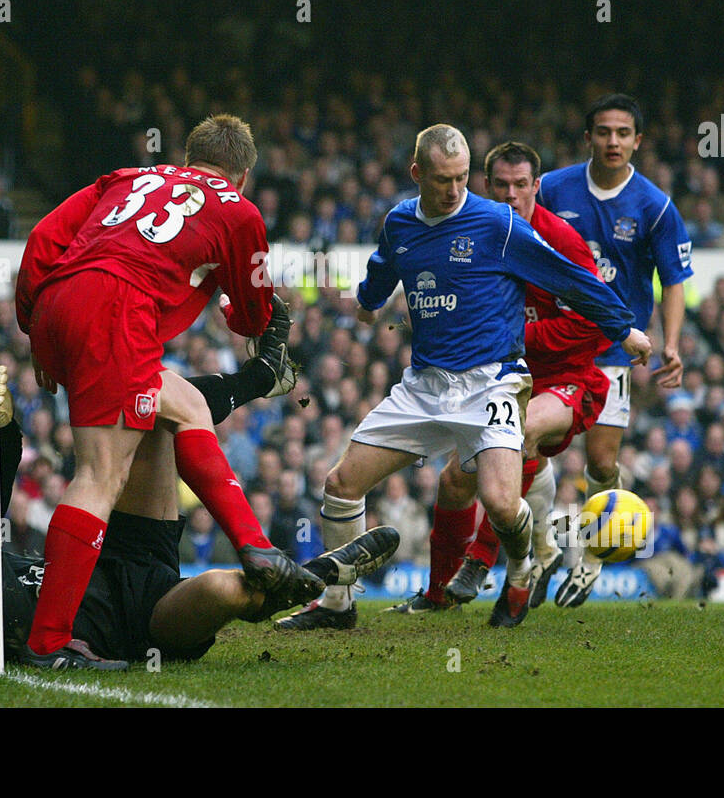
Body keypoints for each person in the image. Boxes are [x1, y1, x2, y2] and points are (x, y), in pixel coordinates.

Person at [275, 124, 650, 632]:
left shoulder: (497, 222)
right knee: (341, 483)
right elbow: (385, 264)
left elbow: (567, 276)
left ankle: (520, 568)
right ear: (416, 174)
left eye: (461, 178)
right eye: (442, 180)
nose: (454, 191)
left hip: (493, 382)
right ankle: (338, 605)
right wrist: (367, 301)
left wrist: (622, 327)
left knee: (498, 502)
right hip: (426, 386)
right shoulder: (401, 222)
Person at [13, 115, 319, 668]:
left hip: (58, 299)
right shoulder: (239, 210)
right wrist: (259, 312)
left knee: (186, 404)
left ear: (186, 157)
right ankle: (49, 642)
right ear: (243, 173)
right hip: (117, 308)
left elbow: (41, 239)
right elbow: (249, 319)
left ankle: (254, 543)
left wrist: (37, 327)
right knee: (100, 475)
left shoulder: (127, 178)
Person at [0, 365, 400, 669]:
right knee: (229, 591)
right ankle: (325, 572)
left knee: (148, 391)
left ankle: (260, 378)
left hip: (121, 550)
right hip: (143, 622)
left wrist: (3, 422)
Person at [393, 142, 611, 618]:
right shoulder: (473, 232)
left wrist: (514, 336)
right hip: (500, 378)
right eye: (501, 185)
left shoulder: (561, 239)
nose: (511, 195)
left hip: (567, 379)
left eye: (521, 185)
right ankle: (437, 594)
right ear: (486, 186)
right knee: (453, 481)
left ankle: (484, 560)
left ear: (537, 186)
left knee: (525, 429)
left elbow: (591, 320)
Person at [536, 93, 694, 607]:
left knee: (601, 463)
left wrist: (671, 344)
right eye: (603, 132)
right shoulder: (551, 188)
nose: (613, 141)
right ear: (588, 138)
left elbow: (673, 281)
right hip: (551, 343)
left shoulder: (654, 206)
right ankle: (540, 549)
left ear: (638, 141)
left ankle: (591, 554)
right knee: (529, 447)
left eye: (623, 133)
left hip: (609, 350)